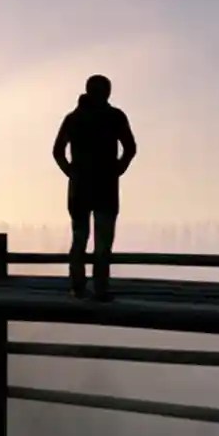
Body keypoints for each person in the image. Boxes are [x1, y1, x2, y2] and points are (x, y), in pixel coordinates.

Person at [51, 74, 137, 300]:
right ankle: (98, 288)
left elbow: (57, 152)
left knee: (81, 239)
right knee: (101, 243)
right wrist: (117, 169)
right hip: (104, 189)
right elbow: (130, 148)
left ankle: (79, 287)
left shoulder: (74, 118)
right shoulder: (114, 117)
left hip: (81, 189)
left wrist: (72, 173)